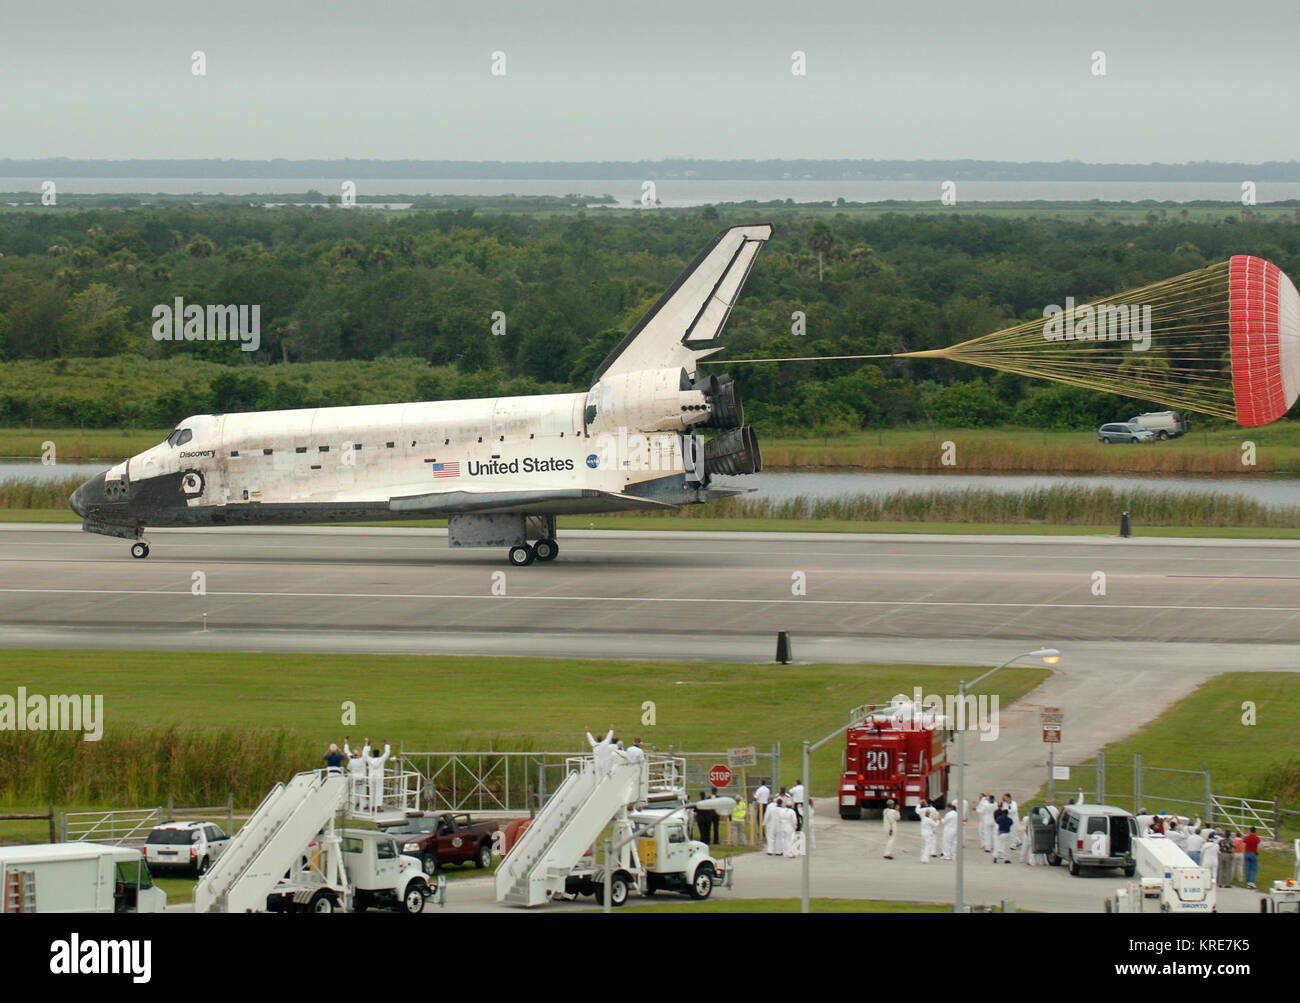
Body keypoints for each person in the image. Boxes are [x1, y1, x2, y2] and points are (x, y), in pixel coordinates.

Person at [343, 737, 369, 810]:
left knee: (354, 792)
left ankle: (354, 804)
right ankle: (362, 805)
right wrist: (366, 743)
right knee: (362, 792)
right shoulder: (363, 759)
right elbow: (365, 752)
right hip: (362, 778)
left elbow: (347, 753)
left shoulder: (351, 760)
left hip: (354, 778)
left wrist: (346, 743)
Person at [365, 740, 390, 813]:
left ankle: (372, 805)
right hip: (379, 776)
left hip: (371, 777)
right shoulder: (381, 759)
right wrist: (386, 745)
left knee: (372, 791)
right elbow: (387, 753)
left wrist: (367, 745)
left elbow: (365, 754)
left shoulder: (370, 759)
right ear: (379, 753)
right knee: (379, 790)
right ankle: (378, 806)